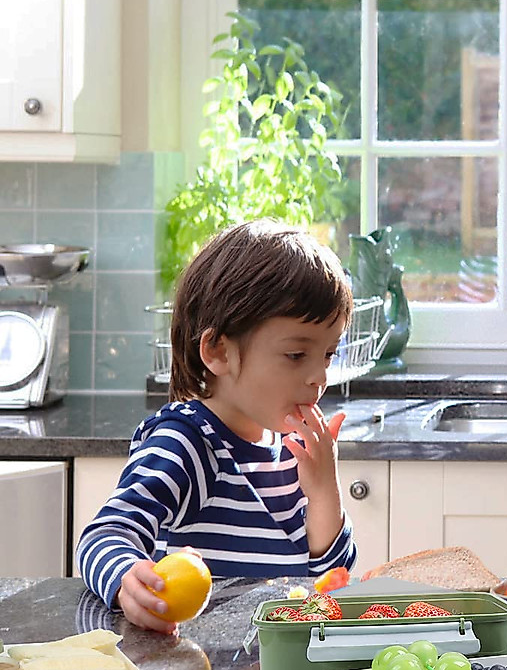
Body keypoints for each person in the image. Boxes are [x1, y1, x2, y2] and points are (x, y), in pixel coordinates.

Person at [77, 221, 358, 633]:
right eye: (297, 354)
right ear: (218, 352)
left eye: (329, 354)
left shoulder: (289, 447)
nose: (320, 376)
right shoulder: (188, 441)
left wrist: (323, 489)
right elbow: (105, 533)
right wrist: (126, 580)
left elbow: (329, 585)